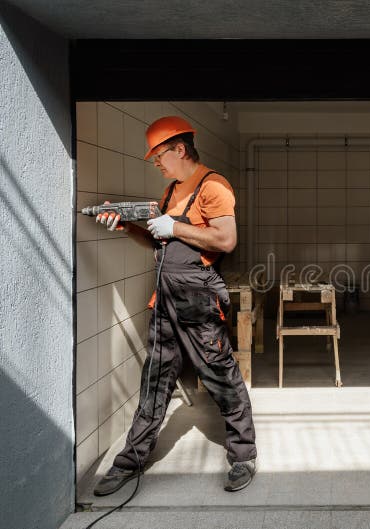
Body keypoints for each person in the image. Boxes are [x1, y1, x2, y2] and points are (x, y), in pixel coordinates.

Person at [93, 116, 257, 494]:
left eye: (158, 156)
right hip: (165, 299)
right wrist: (126, 227)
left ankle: (244, 455)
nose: (156, 163)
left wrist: (176, 227)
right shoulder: (170, 193)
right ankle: (130, 461)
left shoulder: (213, 186)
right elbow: (158, 243)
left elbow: (226, 240)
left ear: (180, 149)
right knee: (154, 382)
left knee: (220, 376)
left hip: (198, 298)